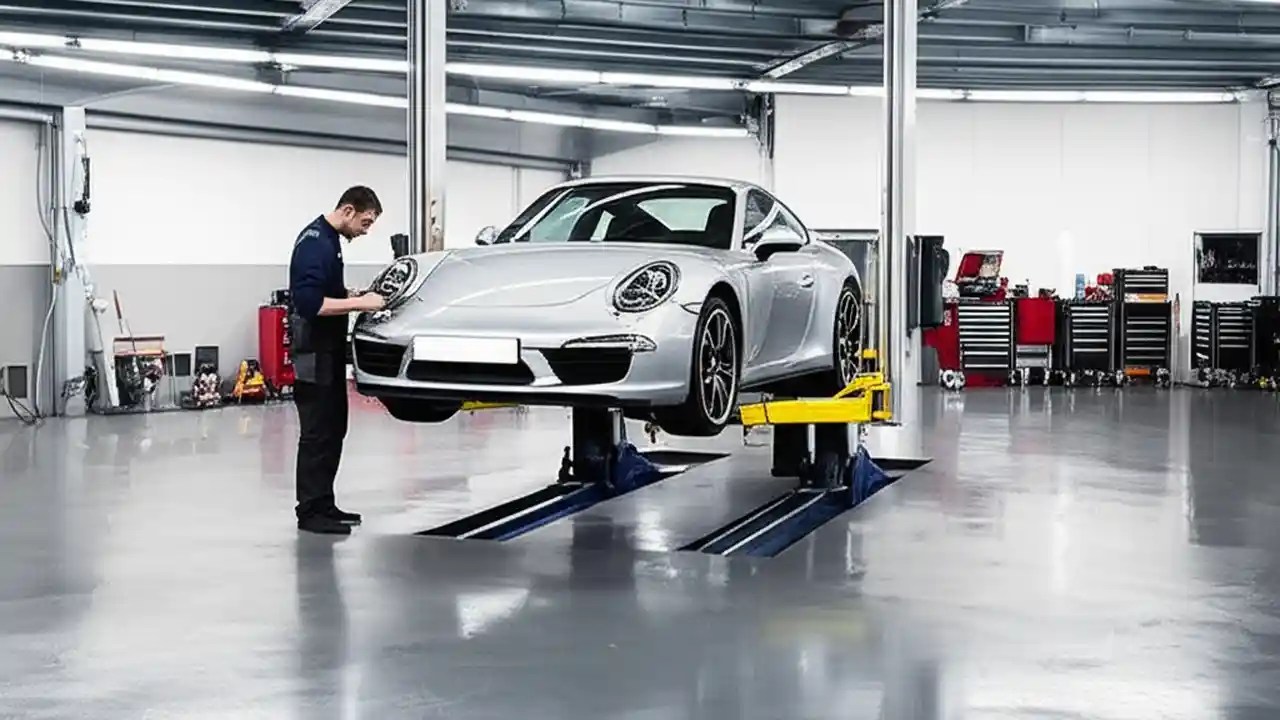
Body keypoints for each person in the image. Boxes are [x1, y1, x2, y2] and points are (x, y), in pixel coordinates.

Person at [289, 186, 387, 535]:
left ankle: (324, 504)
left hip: (327, 355)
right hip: (313, 356)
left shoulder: (330, 241)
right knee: (317, 434)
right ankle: (310, 512)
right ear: (348, 210)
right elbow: (311, 303)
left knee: (334, 430)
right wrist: (362, 305)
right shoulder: (316, 242)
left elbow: (327, 292)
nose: (365, 230)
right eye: (365, 222)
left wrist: (354, 294)